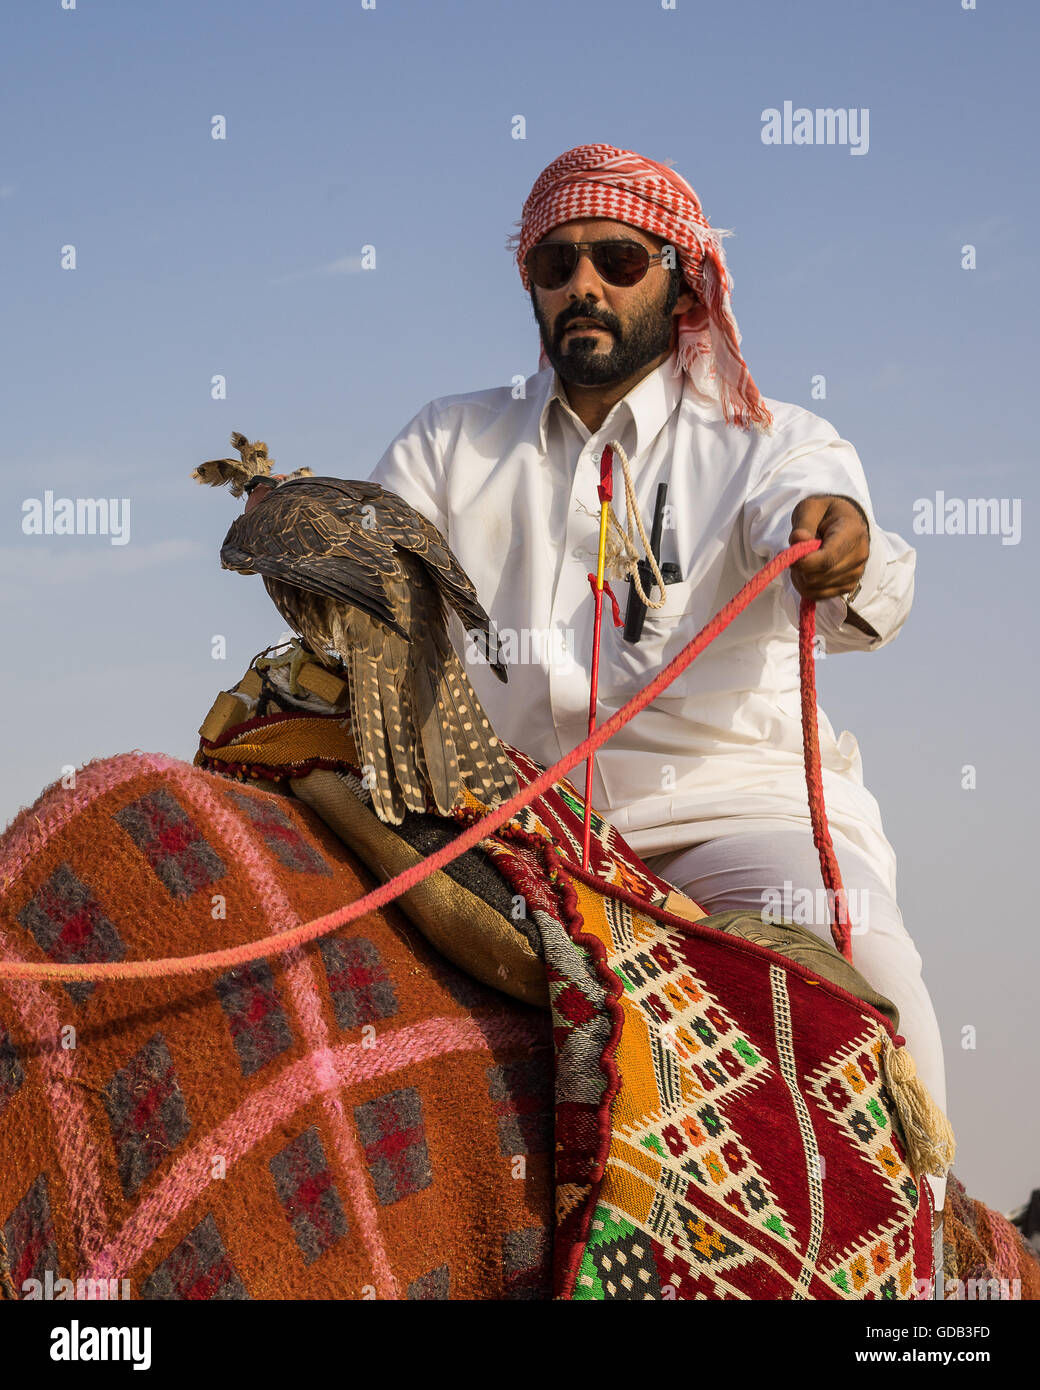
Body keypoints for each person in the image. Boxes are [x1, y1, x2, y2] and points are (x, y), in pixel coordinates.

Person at [366, 143, 948, 1219]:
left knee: (874, 987)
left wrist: (843, 544)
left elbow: (839, 549)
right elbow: (380, 599)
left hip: (727, 819)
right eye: (556, 263)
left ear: (680, 280)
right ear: (531, 287)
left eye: (617, 258)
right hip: (509, 829)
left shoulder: (770, 440)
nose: (582, 283)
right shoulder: (448, 441)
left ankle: (923, 1289)